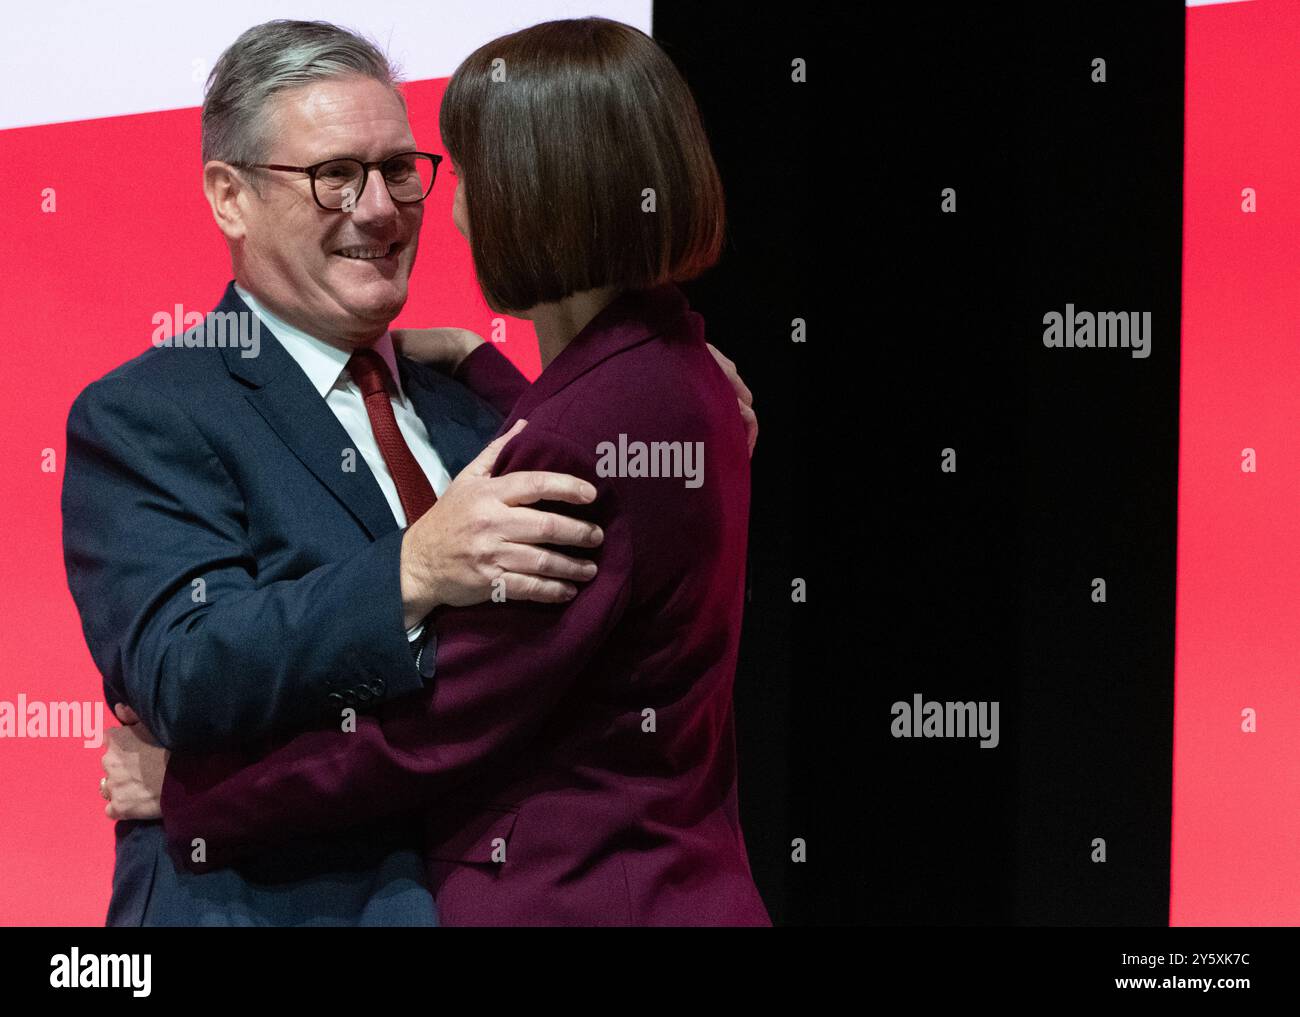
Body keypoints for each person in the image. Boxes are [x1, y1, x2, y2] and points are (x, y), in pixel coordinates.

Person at [73, 18, 758, 926]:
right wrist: (409, 569)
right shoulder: (148, 413)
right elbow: (180, 672)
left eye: (402, 169)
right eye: (333, 175)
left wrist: (484, 365)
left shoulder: (498, 412)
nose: (380, 207)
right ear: (228, 195)